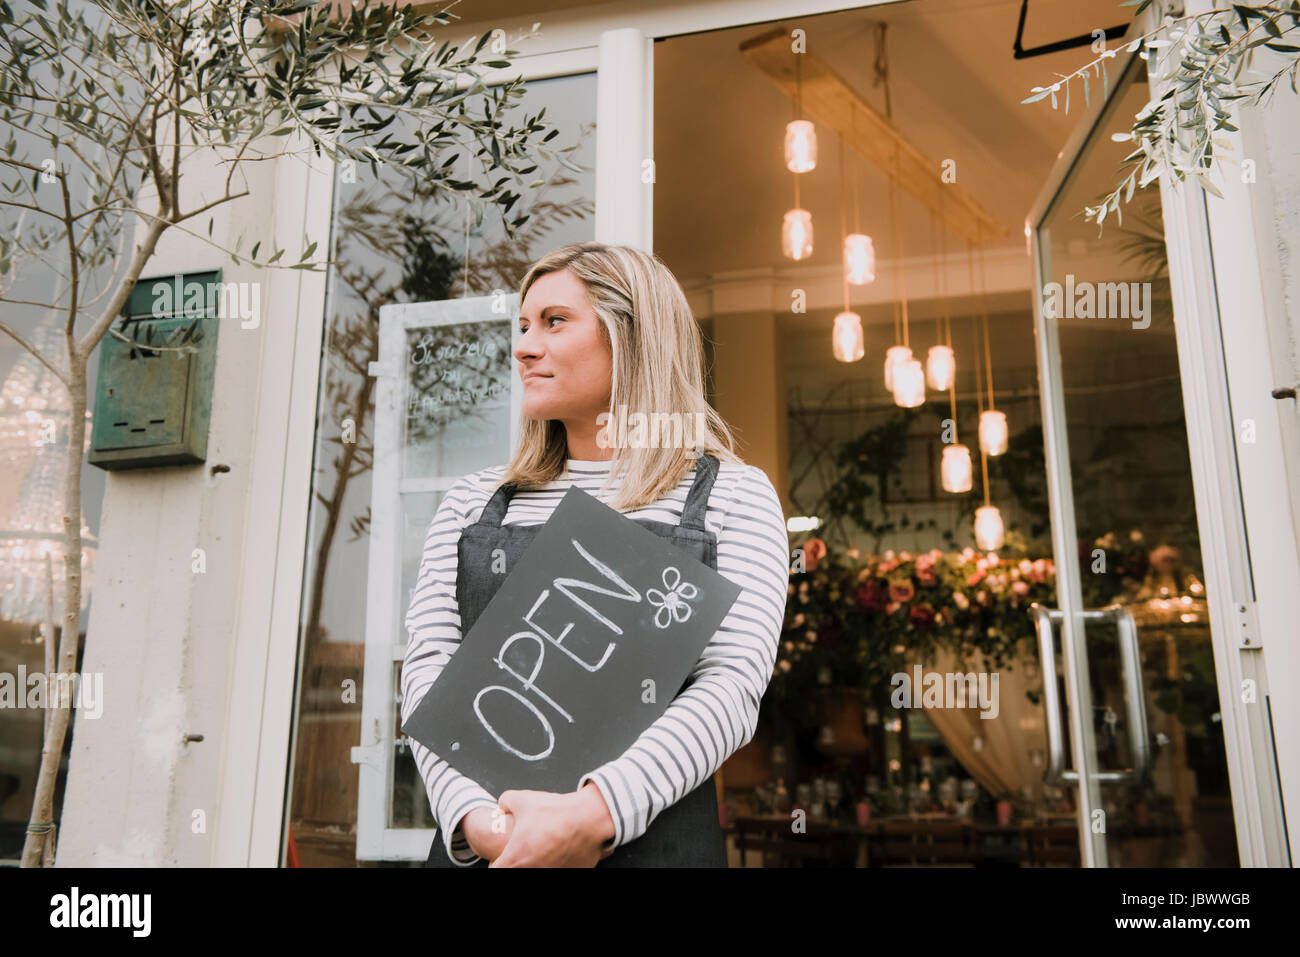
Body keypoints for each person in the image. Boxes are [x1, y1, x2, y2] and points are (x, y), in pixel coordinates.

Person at [401, 241, 789, 867]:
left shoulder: (732, 497)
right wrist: (481, 823)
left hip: (655, 843)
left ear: (632, 336)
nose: (525, 346)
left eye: (554, 322)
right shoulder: (473, 502)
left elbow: (731, 687)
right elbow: (427, 674)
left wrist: (593, 815)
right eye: (523, 326)